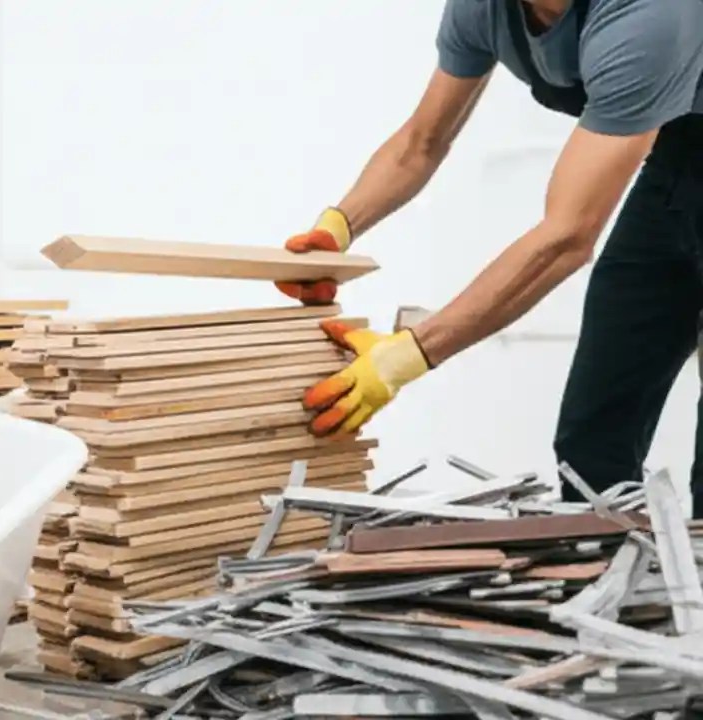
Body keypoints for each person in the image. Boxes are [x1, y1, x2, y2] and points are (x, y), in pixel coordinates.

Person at [278, 0, 703, 512]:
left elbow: (567, 236)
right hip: (682, 160)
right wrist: (337, 228)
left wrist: (407, 356)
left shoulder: (650, 14)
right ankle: (615, 583)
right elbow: (421, 141)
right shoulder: (482, 10)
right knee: (592, 446)